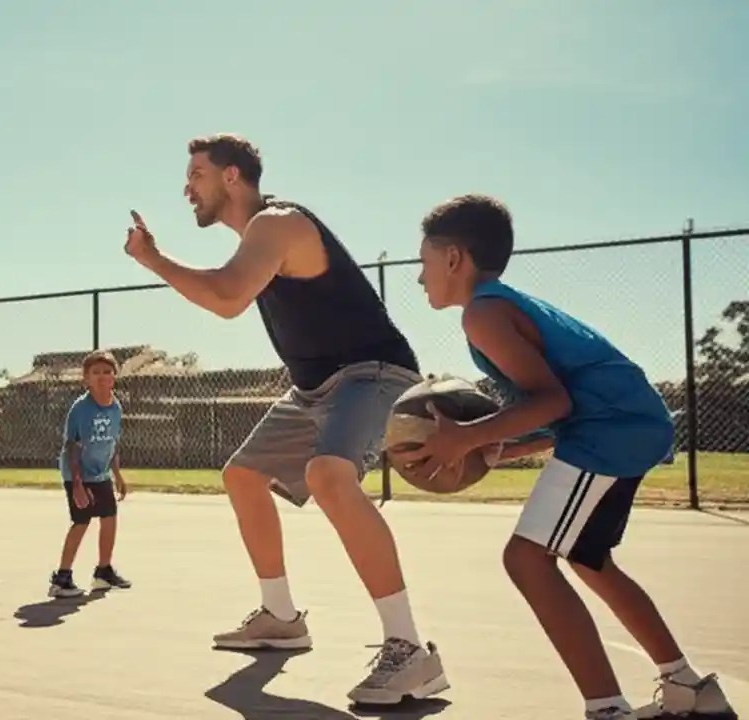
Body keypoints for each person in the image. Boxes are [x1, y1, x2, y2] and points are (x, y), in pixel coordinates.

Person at [124, 133, 447, 705]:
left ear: (231, 178)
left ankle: (410, 651)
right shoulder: (258, 238)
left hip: (373, 372)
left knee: (329, 476)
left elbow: (226, 298)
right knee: (242, 476)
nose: (186, 187)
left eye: (196, 174)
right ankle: (280, 617)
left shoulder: (278, 222)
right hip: (315, 387)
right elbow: (231, 291)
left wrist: (152, 259)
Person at [392, 194, 737, 720]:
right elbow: (558, 404)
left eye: (424, 262)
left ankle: (606, 709)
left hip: (611, 431)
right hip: (623, 423)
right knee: (588, 559)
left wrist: (463, 438)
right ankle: (689, 688)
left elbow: (556, 400)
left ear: (455, 258)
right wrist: (511, 445)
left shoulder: (483, 313)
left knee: (526, 559)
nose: (420, 277)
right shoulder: (499, 304)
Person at [48, 350, 132, 598]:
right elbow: (72, 447)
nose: (102, 376)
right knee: (81, 522)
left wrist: (117, 475)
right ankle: (61, 578)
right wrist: (76, 485)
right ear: (86, 379)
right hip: (78, 473)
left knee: (109, 518)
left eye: (107, 371)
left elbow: (113, 443)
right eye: (96, 373)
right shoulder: (81, 409)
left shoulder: (115, 407)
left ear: (114, 376)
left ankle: (103, 572)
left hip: (100, 473)